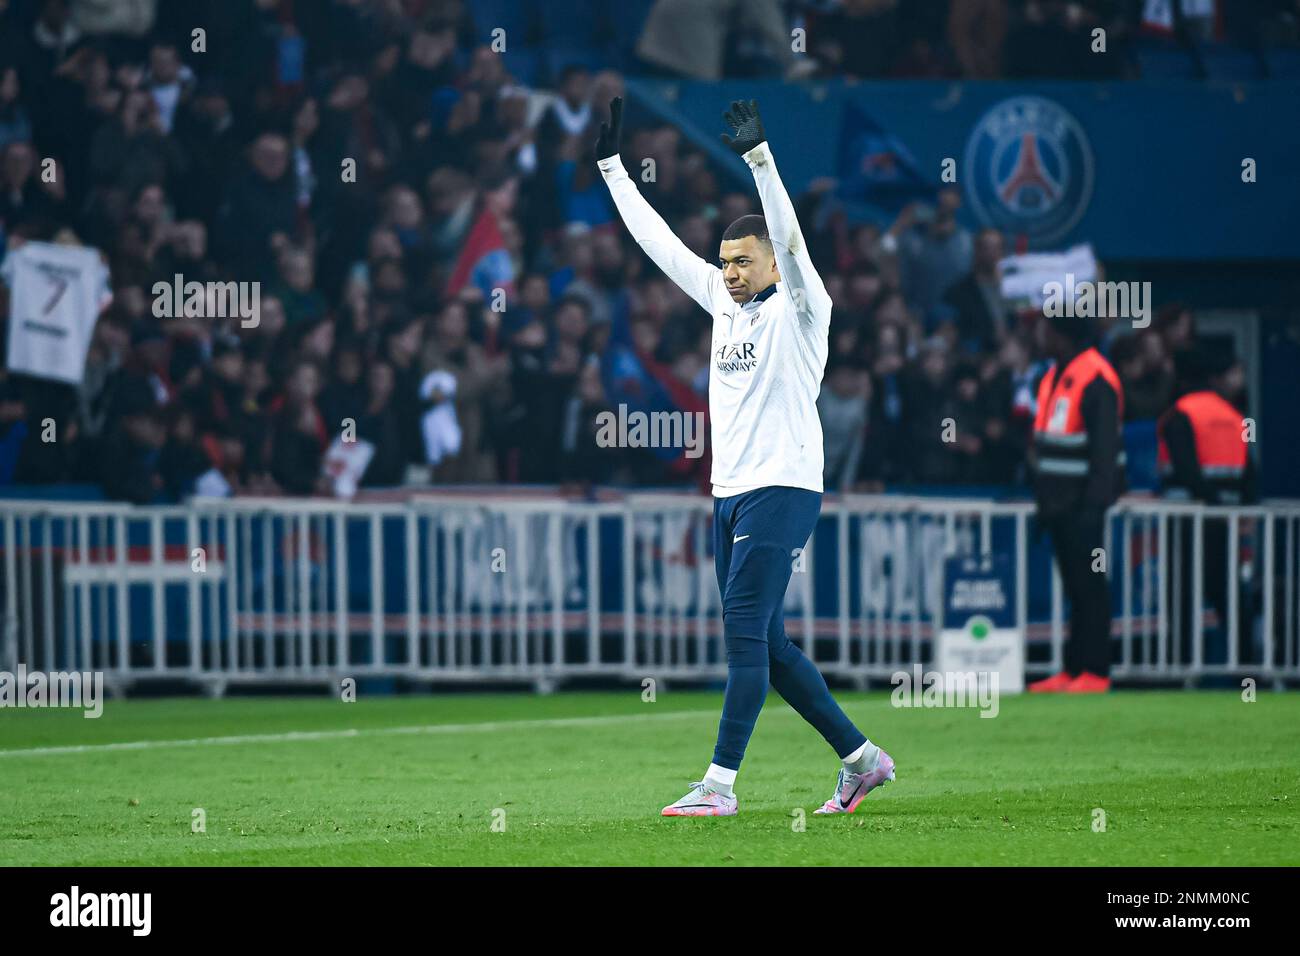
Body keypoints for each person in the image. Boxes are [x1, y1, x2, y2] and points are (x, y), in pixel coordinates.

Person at [596, 96, 893, 817]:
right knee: (771, 645)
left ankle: (719, 786)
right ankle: (862, 760)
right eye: (725, 262)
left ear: (772, 263)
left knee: (741, 636)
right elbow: (659, 243)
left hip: (783, 487)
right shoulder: (722, 302)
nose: (729, 272)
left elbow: (789, 238)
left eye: (743, 261)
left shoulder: (804, 306)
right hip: (729, 492)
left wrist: (760, 161)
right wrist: (611, 170)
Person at [1028, 313, 1125, 694]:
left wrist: (1094, 507)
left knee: (1091, 587)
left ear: (1063, 336)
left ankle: (1095, 670)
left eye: (1045, 330)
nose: (1040, 337)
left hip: (1083, 506)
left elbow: (1105, 453)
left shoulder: (1096, 377)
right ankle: (1073, 669)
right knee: (1074, 588)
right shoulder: (1055, 375)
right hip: (1058, 505)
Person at [1157, 346, 1258, 668]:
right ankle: (1248, 670)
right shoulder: (1238, 418)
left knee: (1182, 597)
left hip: (1185, 521)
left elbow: (1186, 469)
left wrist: (1212, 503)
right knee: (1230, 597)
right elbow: (1250, 471)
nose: (1240, 381)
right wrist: (1242, 510)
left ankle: (1182, 669)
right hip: (1224, 523)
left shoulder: (1180, 413)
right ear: (1216, 378)